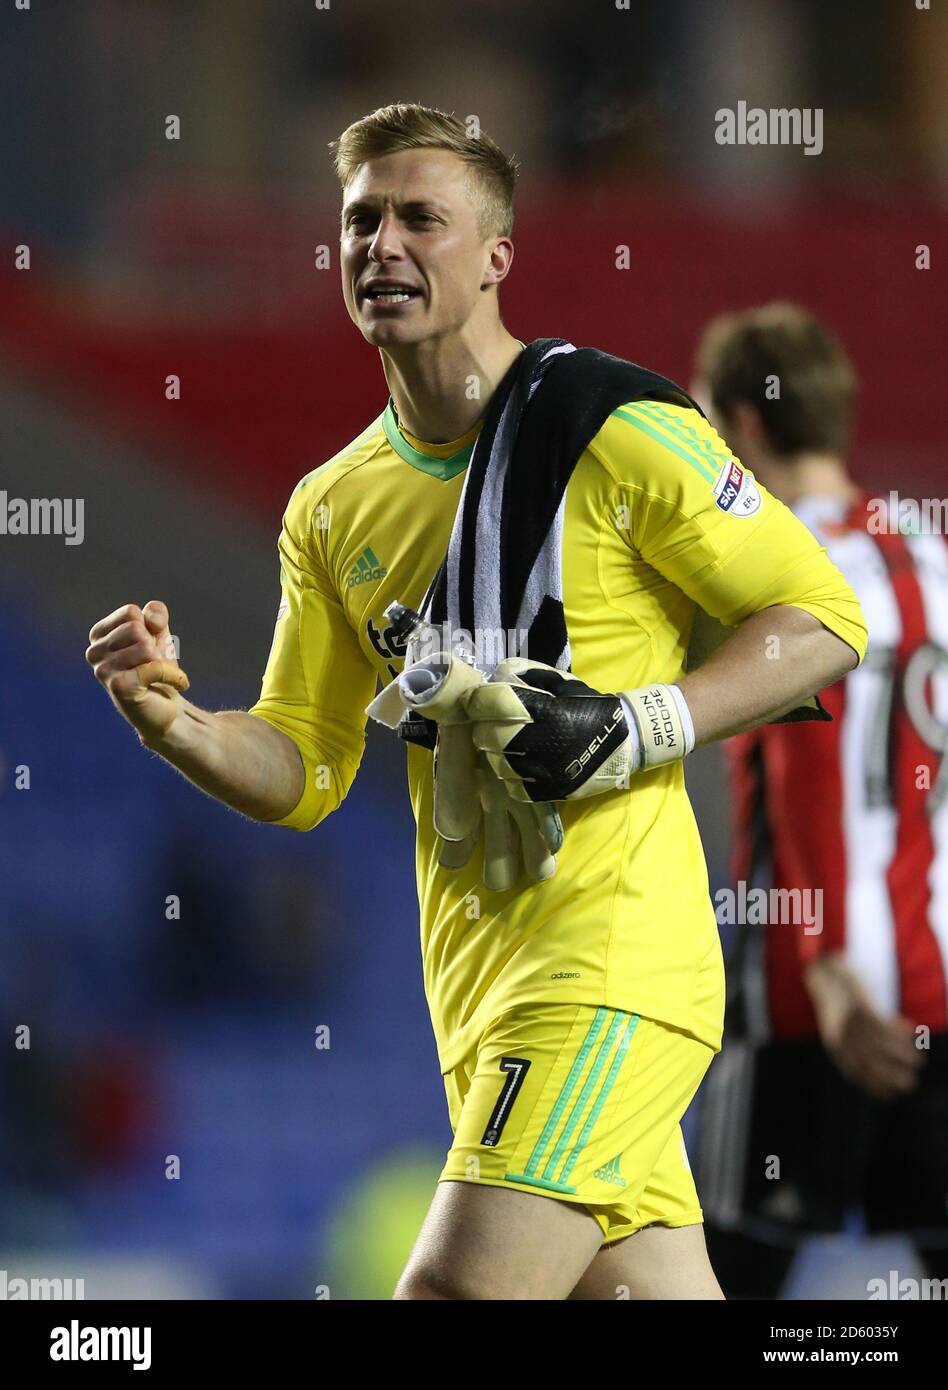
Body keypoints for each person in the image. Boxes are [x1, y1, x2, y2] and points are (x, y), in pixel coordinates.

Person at [85, 106, 866, 1300]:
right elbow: (303, 764)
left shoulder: (616, 426)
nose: (382, 243)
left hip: (611, 973)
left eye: (418, 218)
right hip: (482, 997)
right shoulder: (332, 507)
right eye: (361, 219)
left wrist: (637, 724)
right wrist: (177, 722)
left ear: (496, 254)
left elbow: (821, 619)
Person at [691, 302, 948, 1299]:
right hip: (934, 994)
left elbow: (809, 771)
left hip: (811, 1000)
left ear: (744, 426)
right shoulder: (931, 555)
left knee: (720, 1276)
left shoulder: (791, 573)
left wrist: (832, 966)